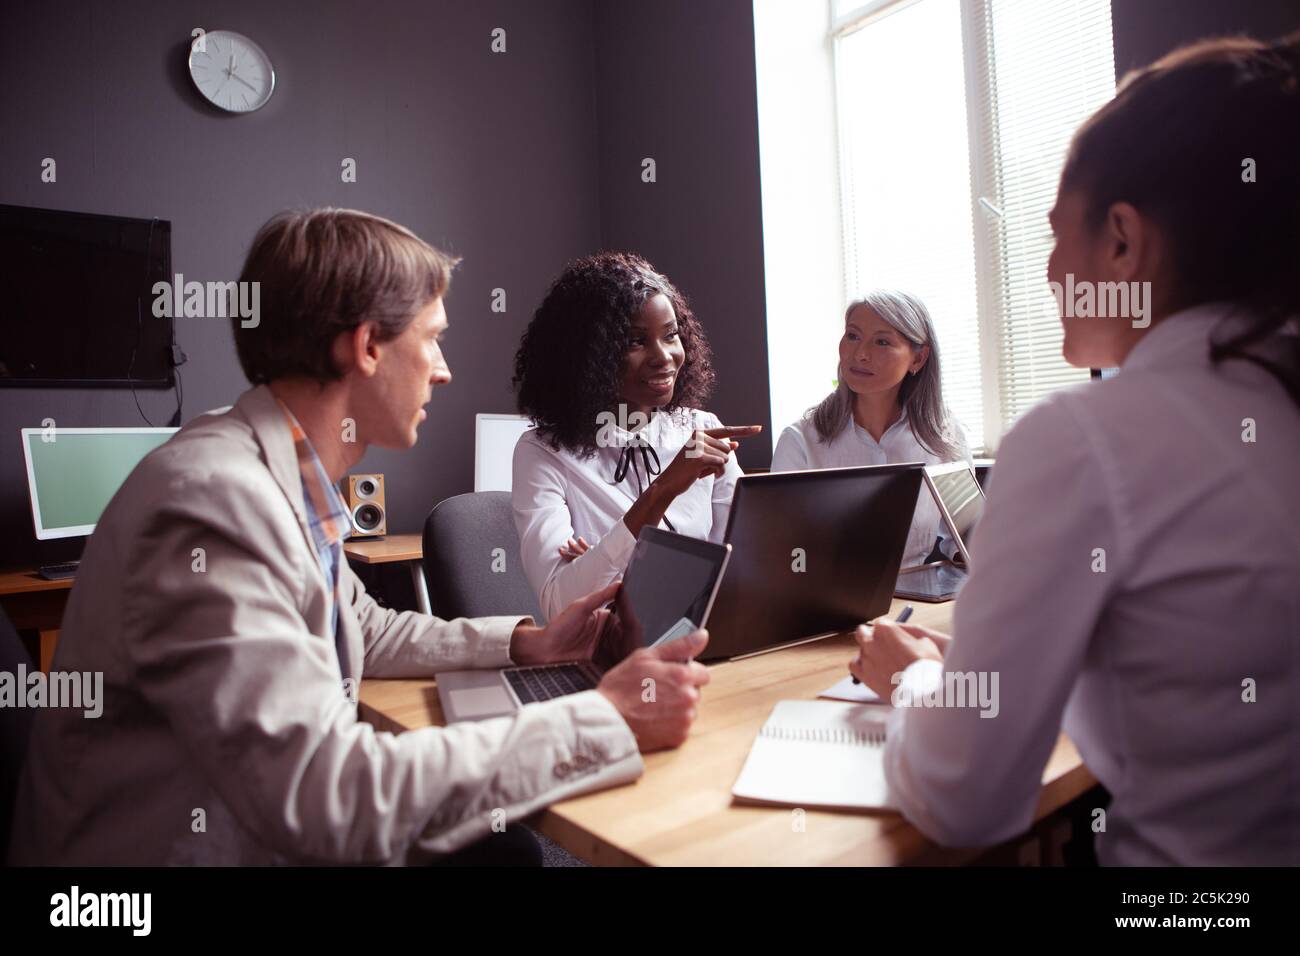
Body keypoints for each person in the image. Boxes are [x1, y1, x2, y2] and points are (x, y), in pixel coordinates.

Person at [8, 209, 711, 866]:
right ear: (368, 346)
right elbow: (322, 794)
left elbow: (361, 628)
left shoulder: (269, 468)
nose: (444, 369)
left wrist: (529, 642)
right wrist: (602, 718)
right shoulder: (215, 505)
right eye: (433, 338)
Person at [849, 33, 1300, 865]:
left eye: (1059, 236)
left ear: (1123, 244)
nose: (1051, 271)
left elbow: (962, 797)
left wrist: (912, 680)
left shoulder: (1086, 440)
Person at [511, 252, 761, 621]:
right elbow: (561, 604)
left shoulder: (703, 429)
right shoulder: (542, 453)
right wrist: (663, 490)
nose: (664, 357)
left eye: (671, 335)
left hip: (703, 640)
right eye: (634, 342)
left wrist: (604, 560)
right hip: (612, 657)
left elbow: (741, 571)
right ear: (587, 355)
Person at [771, 290, 969, 567]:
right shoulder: (800, 441)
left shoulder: (944, 438)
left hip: (918, 601)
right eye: (852, 336)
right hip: (826, 601)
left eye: (882, 342)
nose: (860, 354)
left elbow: (967, 539)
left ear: (918, 359)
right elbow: (780, 551)